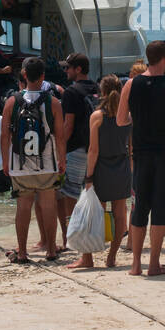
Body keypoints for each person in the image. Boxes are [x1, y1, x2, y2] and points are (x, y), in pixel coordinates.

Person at [117, 40, 165, 276]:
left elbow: (121, 120)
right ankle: (153, 265)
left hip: (140, 154)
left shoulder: (131, 84)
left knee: (140, 207)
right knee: (161, 209)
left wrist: (139, 118)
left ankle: (135, 265)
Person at [0, 58, 66, 262]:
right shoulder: (53, 102)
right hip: (47, 162)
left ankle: (21, 251)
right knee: (49, 206)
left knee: (23, 208)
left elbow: (4, 135)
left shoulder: (12, 101)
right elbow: (60, 135)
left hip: (20, 164)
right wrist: (62, 160)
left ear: (25, 76)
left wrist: (4, 161)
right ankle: (51, 250)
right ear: (44, 76)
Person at [70, 75, 134, 269]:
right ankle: (111, 257)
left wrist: (88, 176)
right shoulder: (128, 116)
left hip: (101, 168)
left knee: (93, 215)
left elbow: (93, 150)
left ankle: (87, 258)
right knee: (120, 213)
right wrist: (129, 171)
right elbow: (131, 148)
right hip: (122, 167)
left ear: (102, 92)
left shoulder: (97, 116)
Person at [56, 53, 99, 241]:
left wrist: (61, 151)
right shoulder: (97, 88)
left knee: (68, 196)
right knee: (91, 194)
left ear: (78, 69)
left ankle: (71, 238)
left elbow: (68, 125)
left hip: (76, 149)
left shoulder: (71, 92)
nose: (65, 71)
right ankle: (91, 233)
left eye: (68, 67)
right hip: (95, 147)